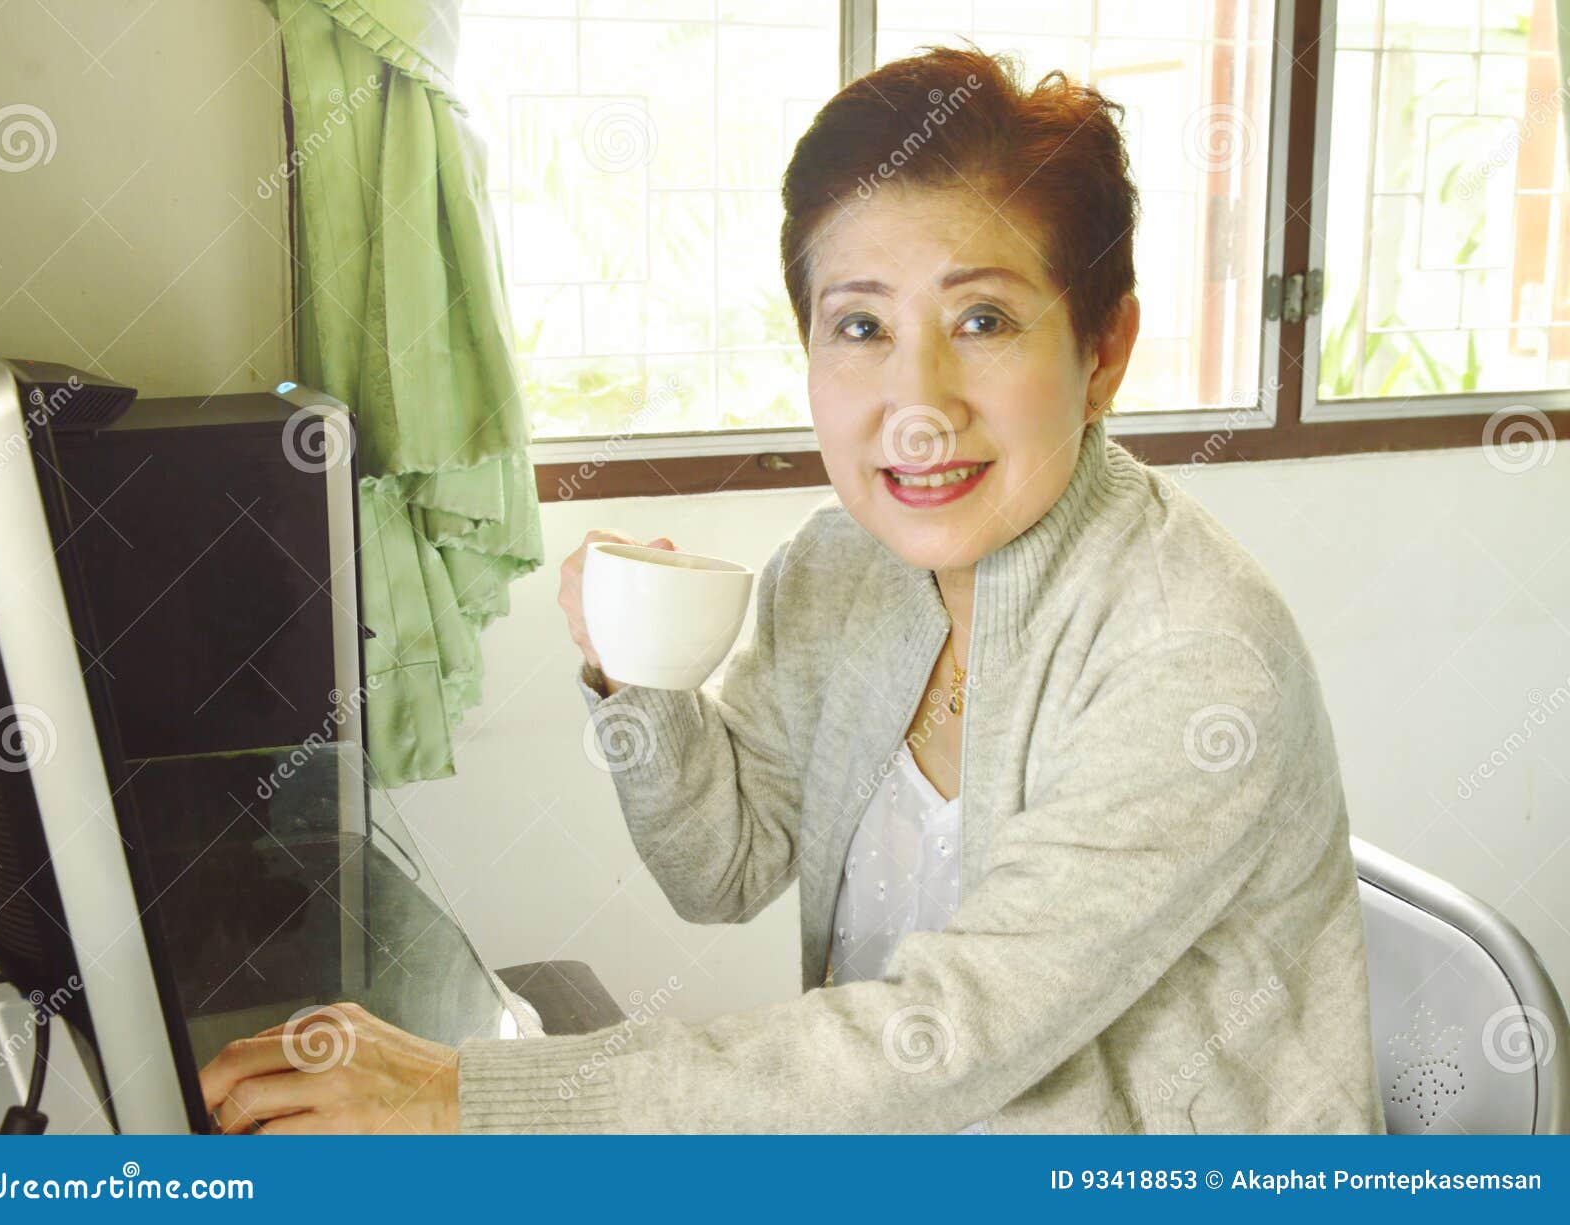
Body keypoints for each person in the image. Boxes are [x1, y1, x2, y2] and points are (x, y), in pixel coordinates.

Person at [201, 45, 1386, 1135]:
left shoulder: (1191, 653)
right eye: (859, 324)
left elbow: (945, 1039)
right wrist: (641, 675)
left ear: (1102, 350)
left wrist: (480, 1097)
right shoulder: (844, 566)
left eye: (982, 319)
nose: (916, 402)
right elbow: (720, 869)